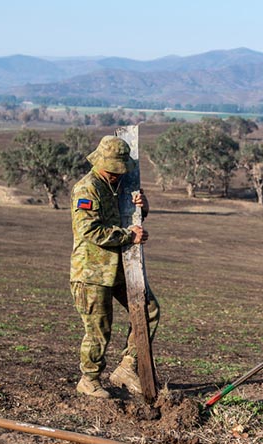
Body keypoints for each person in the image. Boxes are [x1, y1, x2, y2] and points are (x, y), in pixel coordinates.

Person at [70, 135, 160, 399]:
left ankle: (128, 365)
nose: (116, 175)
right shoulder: (87, 188)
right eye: (112, 170)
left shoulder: (120, 186)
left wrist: (143, 209)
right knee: (99, 328)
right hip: (91, 273)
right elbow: (89, 230)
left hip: (120, 268)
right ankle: (89, 379)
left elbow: (128, 217)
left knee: (149, 311)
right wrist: (128, 236)